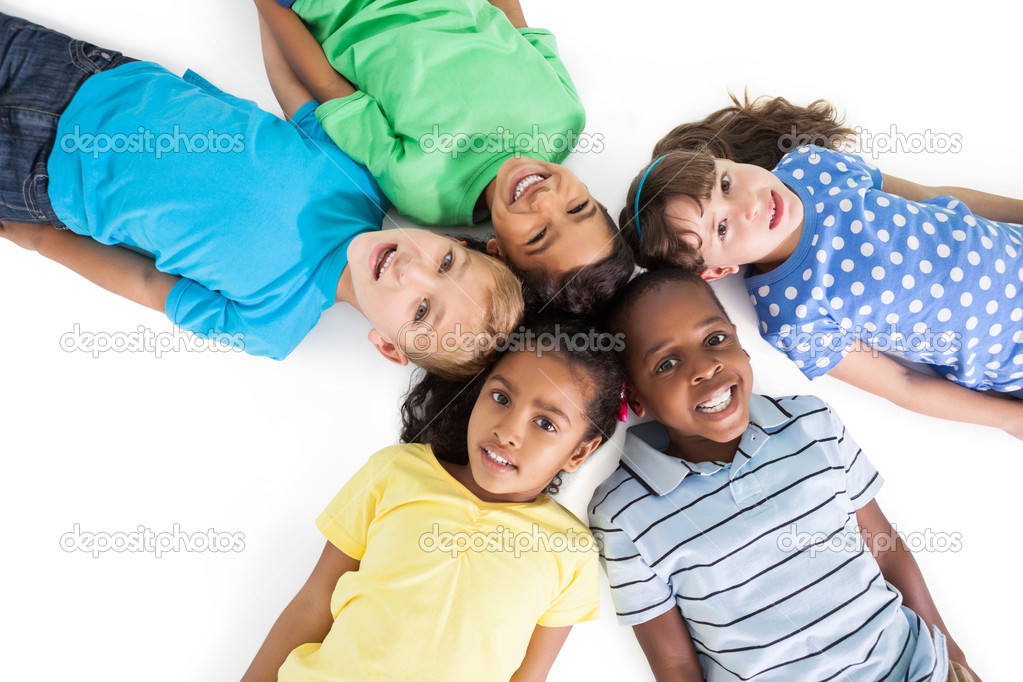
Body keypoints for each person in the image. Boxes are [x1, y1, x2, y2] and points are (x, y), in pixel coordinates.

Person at [0, 11, 523, 377]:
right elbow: (290, 90)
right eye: (447, 261)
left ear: (389, 346)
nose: (414, 271)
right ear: (452, 237)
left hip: (39, 179)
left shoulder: (272, 327)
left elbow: (145, 283)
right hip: (86, 75)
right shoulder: (361, 181)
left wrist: (44, 243)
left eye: (420, 312)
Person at [590, 268, 978, 682]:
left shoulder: (811, 422)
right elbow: (676, 665)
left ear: (742, 344)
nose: (704, 368)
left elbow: (884, 550)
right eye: (667, 363)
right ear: (635, 398)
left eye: (715, 340)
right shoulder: (623, 516)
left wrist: (956, 658)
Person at [241, 317, 626, 680]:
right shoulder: (394, 472)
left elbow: (529, 675)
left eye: (545, 423)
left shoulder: (570, 551)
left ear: (579, 452)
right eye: (501, 397)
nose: (507, 430)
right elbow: (312, 603)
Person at [620, 95, 1023, 437]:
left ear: (724, 161)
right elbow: (904, 385)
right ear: (717, 271)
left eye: (725, 184)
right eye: (721, 228)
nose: (750, 204)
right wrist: (1010, 420)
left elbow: (931, 195)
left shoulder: (814, 166)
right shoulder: (793, 318)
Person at [254, 0, 635, 315]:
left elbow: (329, 87)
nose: (546, 201)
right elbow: (511, 18)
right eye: (577, 208)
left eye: (538, 235)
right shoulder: (564, 114)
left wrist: (269, 6)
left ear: (498, 251)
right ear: (592, 195)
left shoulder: (424, 191)